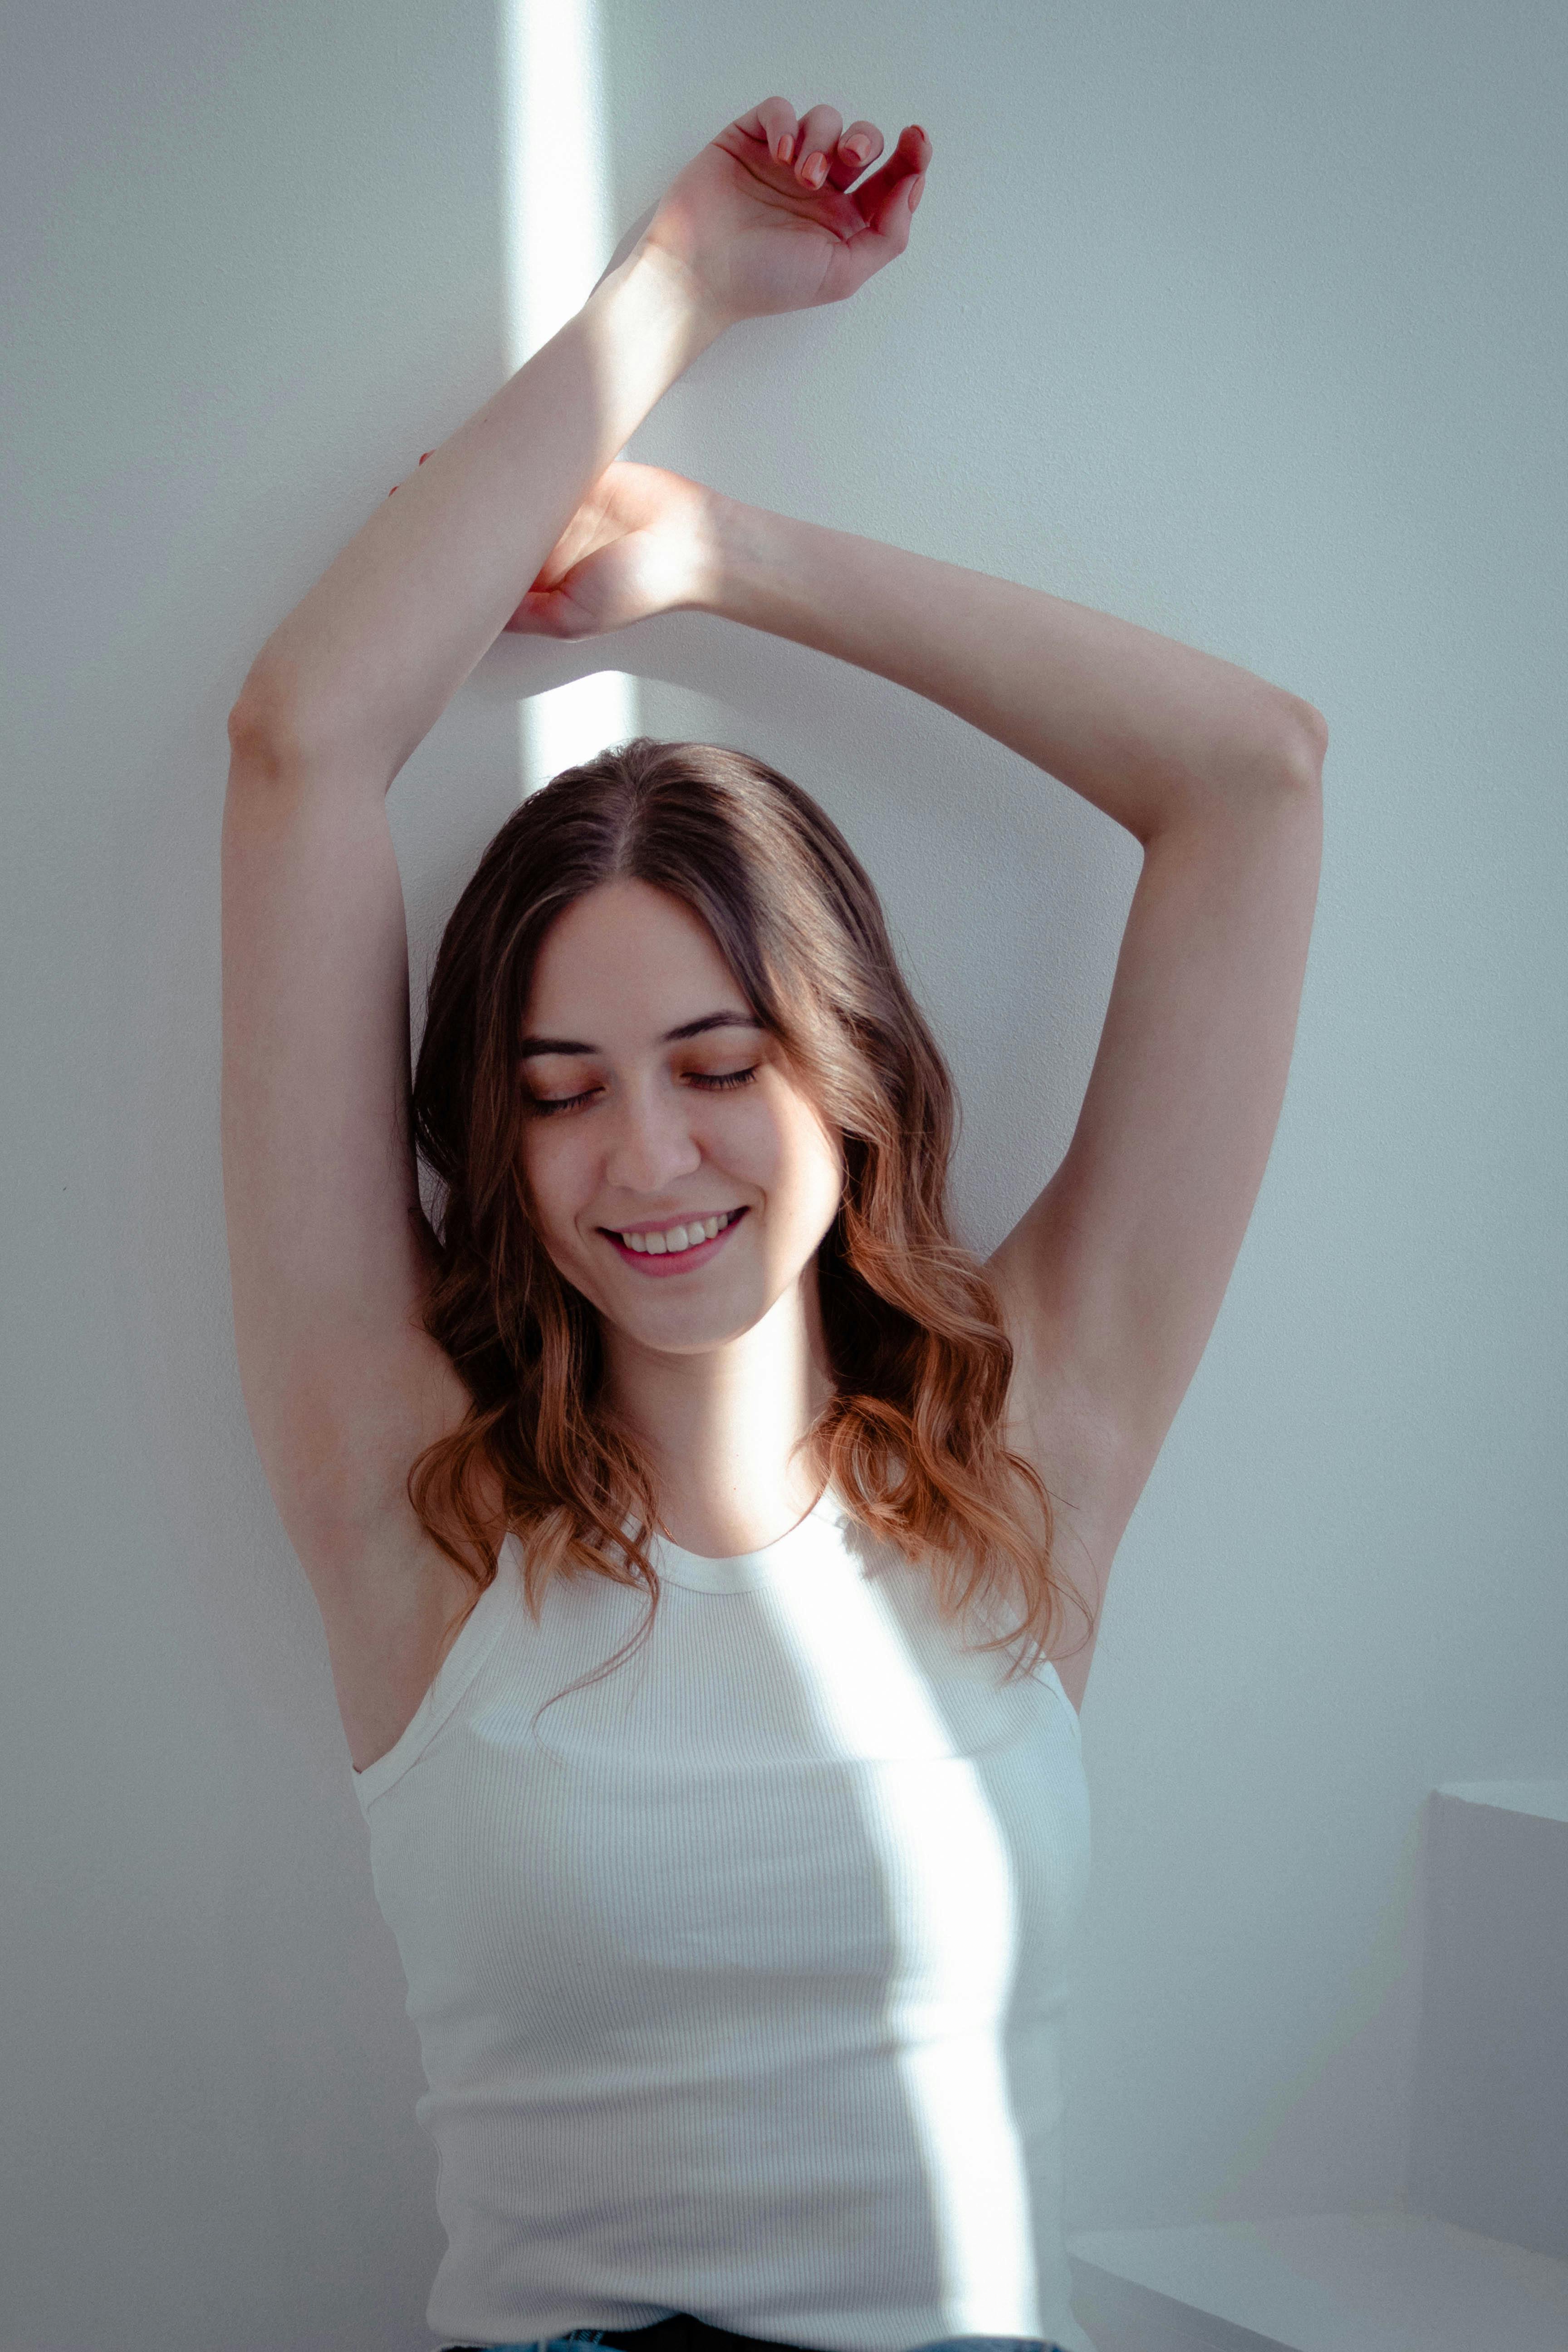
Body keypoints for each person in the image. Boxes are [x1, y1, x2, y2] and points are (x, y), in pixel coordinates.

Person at [221, 93, 1325, 2352]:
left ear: (849, 1078)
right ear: (496, 1151)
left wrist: (727, 556)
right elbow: (300, 745)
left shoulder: (1031, 1465)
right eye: (562, 1094)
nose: (650, 1160)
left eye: (721, 1068)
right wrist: (679, 283)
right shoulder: (412, 1522)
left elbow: (1253, 780)